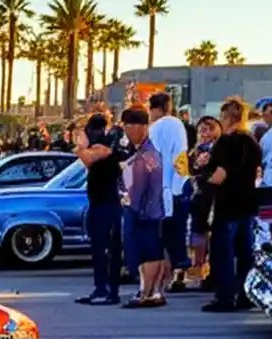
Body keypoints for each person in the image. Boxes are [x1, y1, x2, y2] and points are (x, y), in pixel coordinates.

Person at [203, 97, 262, 313]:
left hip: (227, 204)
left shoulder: (226, 143)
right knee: (245, 253)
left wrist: (202, 177)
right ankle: (246, 294)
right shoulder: (252, 142)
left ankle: (225, 297)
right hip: (247, 202)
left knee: (222, 253)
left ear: (227, 117)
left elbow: (219, 175)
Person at [74, 112, 133, 305]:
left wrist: (82, 146)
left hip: (108, 204)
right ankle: (100, 288)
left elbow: (90, 158)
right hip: (98, 203)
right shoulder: (100, 146)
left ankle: (111, 291)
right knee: (98, 250)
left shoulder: (109, 146)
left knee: (110, 250)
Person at [119, 107, 169, 308]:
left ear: (139, 127)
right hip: (148, 209)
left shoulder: (147, 154)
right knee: (150, 252)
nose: (127, 131)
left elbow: (138, 186)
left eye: (129, 126)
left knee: (147, 252)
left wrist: (130, 203)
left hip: (144, 211)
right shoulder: (143, 151)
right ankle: (152, 291)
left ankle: (147, 291)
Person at [147, 92, 192, 294]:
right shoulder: (179, 126)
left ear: (154, 109)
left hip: (160, 188)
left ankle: (164, 273)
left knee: (161, 235)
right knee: (178, 233)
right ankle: (179, 270)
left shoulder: (154, 129)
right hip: (180, 184)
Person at [188, 116, 222, 290]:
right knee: (198, 232)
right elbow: (189, 169)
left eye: (210, 129)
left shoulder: (218, 149)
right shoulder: (195, 150)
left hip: (213, 196)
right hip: (199, 195)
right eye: (202, 129)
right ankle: (198, 267)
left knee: (211, 234)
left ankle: (209, 269)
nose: (206, 133)